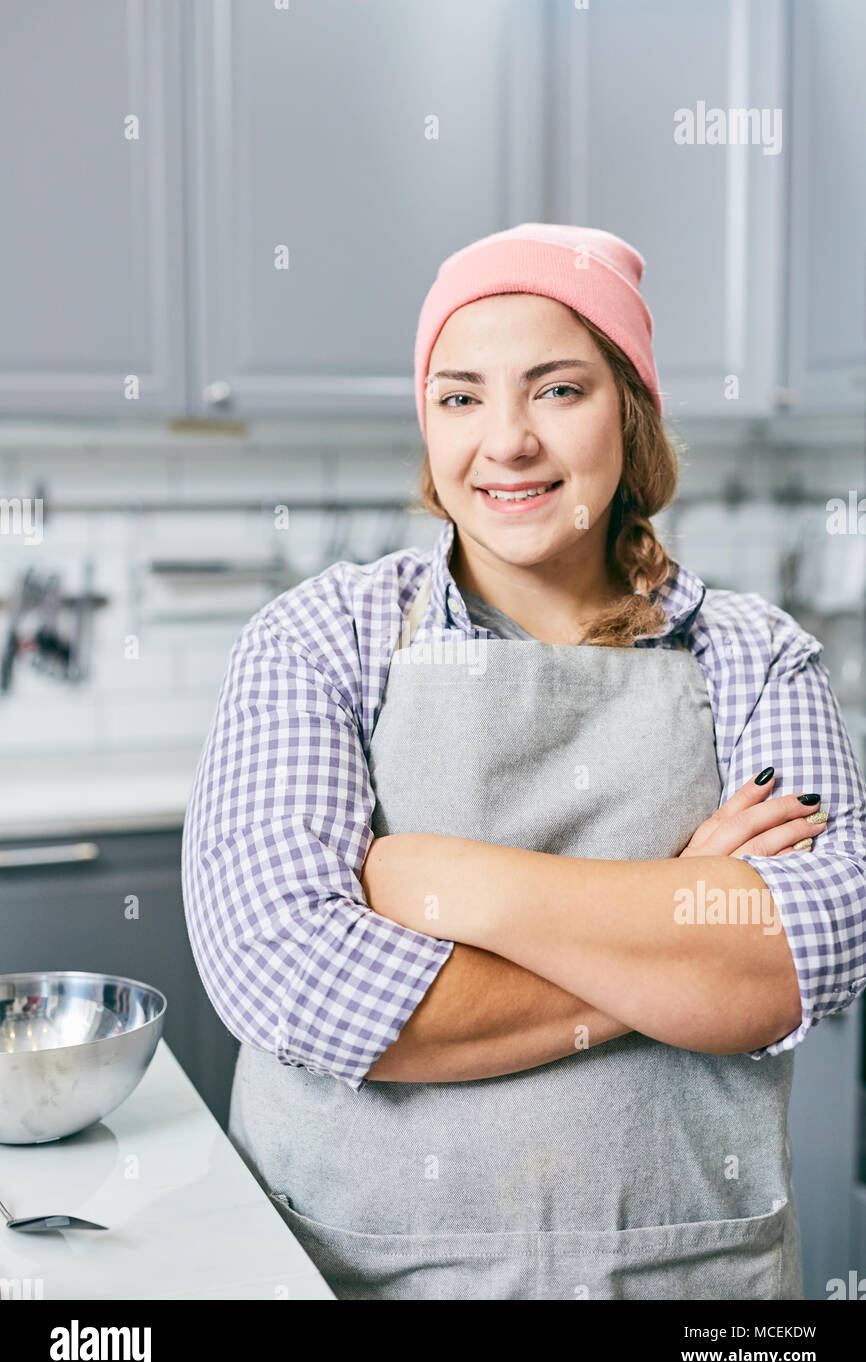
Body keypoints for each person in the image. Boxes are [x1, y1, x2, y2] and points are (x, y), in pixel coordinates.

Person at [180, 224, 866, 1300]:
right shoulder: (318, 640)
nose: (504, 441)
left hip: (689, 1283)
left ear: (627, 413)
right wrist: (680, 918)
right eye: (459, 397)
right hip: (367, 1275)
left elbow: (804, 957)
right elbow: (291, 978)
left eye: (555, 389)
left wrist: (438, 881)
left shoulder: (753, 655)